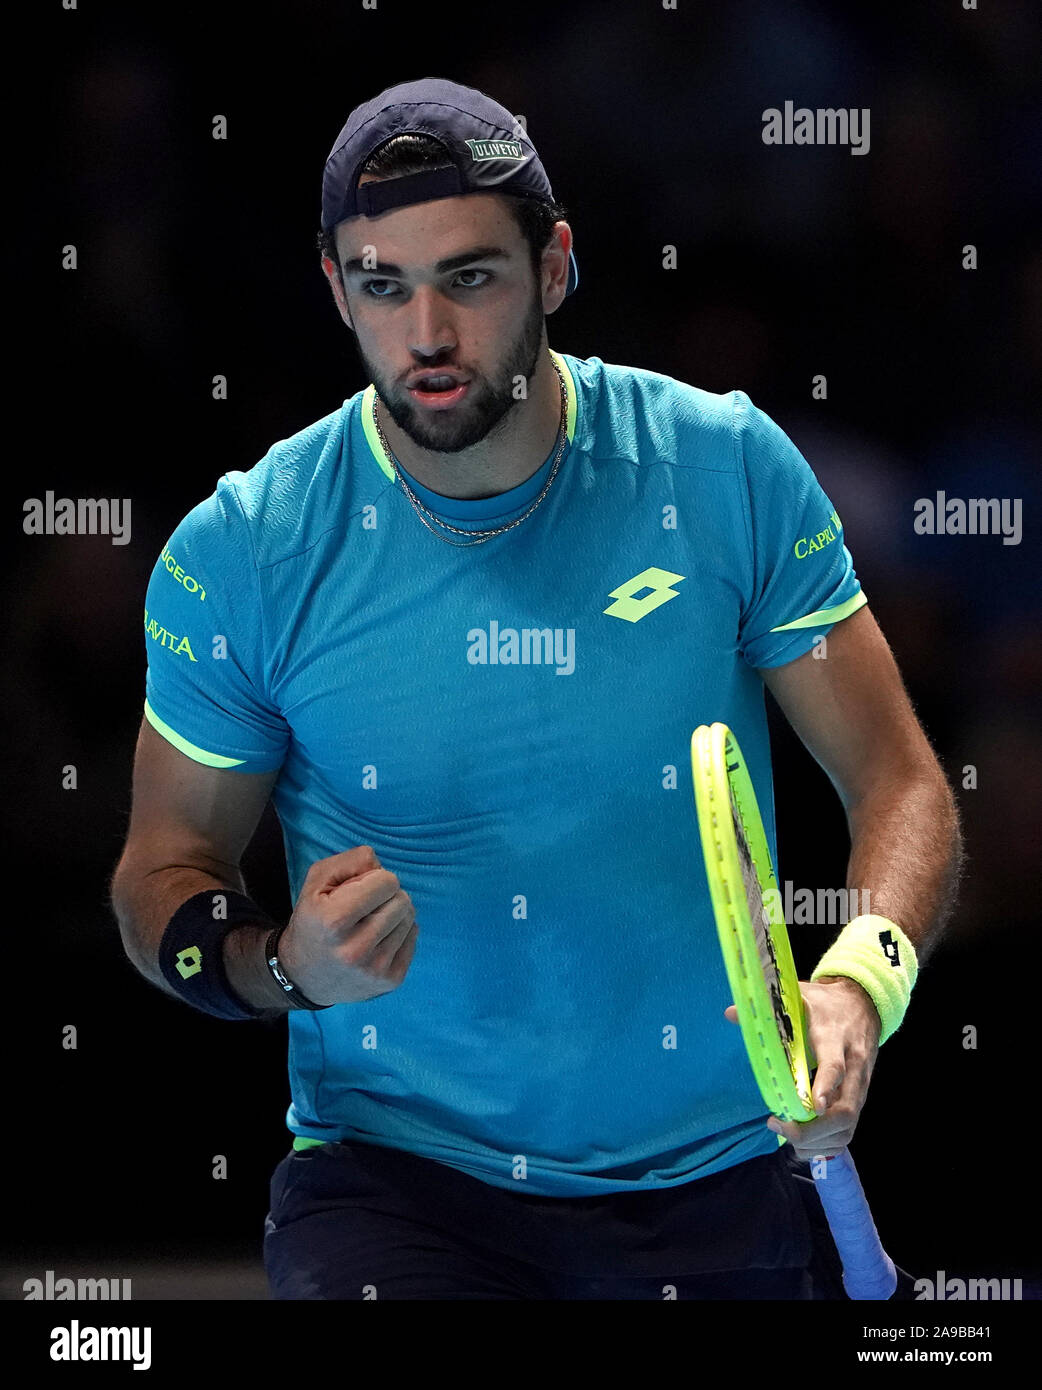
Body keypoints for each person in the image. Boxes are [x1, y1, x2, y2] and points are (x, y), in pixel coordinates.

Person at [111, 78, 962, 1300]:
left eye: (470, 277)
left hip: (729, 1166)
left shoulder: (721, 468)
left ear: (554, 266)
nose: (426, 334)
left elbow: (899, 779)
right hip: (400, 1185)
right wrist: (285, 965)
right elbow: (160, 879)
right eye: (380, 284)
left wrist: (859, 983)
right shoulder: (245, 551)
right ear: (334, 289)